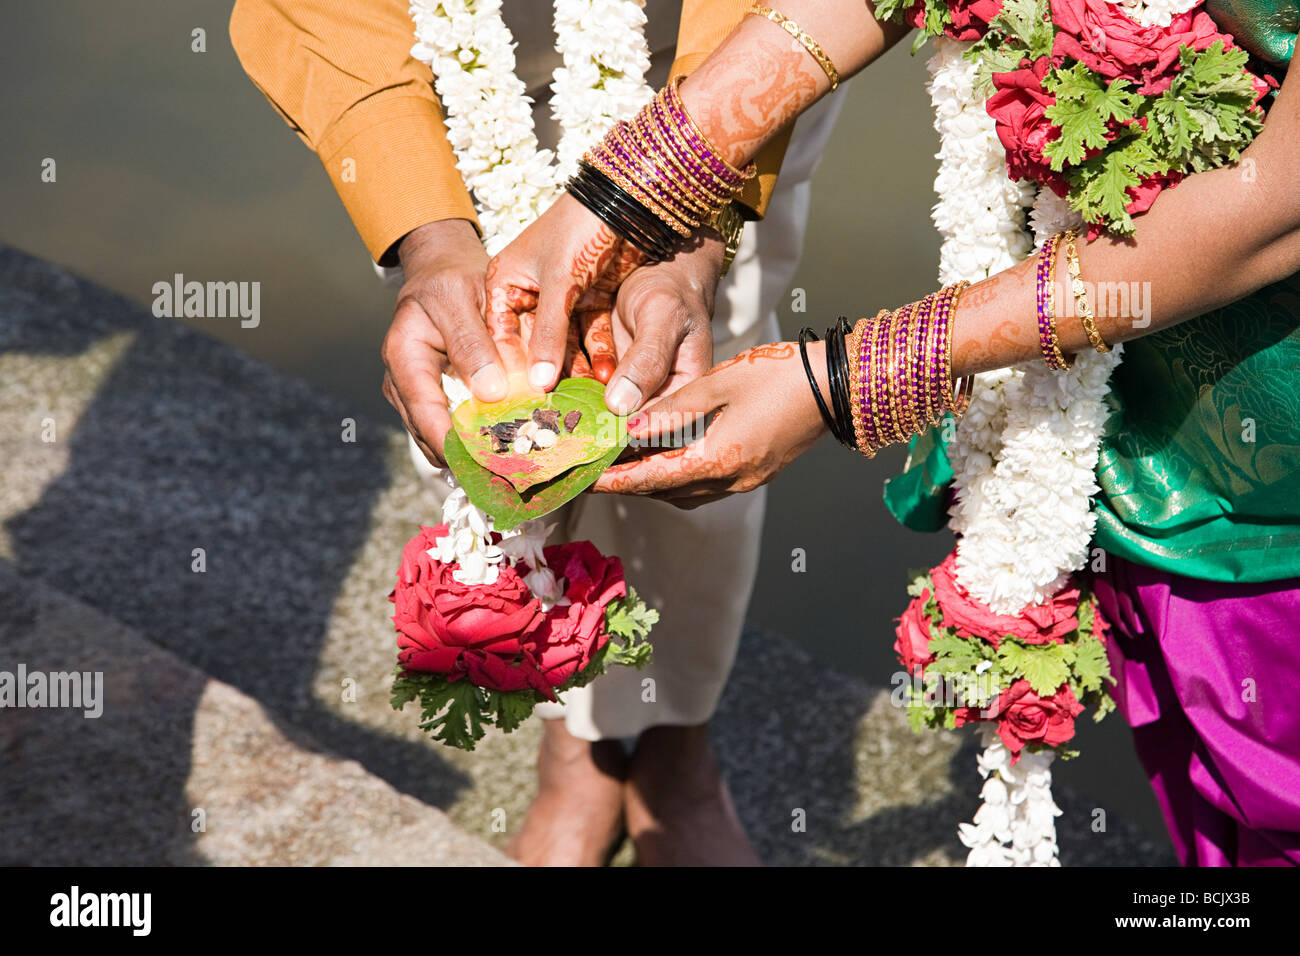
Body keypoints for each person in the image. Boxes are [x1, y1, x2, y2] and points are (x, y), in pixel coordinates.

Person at [495, 1, 1300, 865]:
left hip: (1269, 448)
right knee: (1205, 782)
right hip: (1115, 372)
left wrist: (843, 383)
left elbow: (1278, 203)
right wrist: (631, 188)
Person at [229, 0, 848, 865]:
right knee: (479, 388)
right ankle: (579, 745)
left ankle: (679, 745)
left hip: (736, 34)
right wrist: (431, 240)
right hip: (446, 47)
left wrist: (690, 253)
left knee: (705, 374)